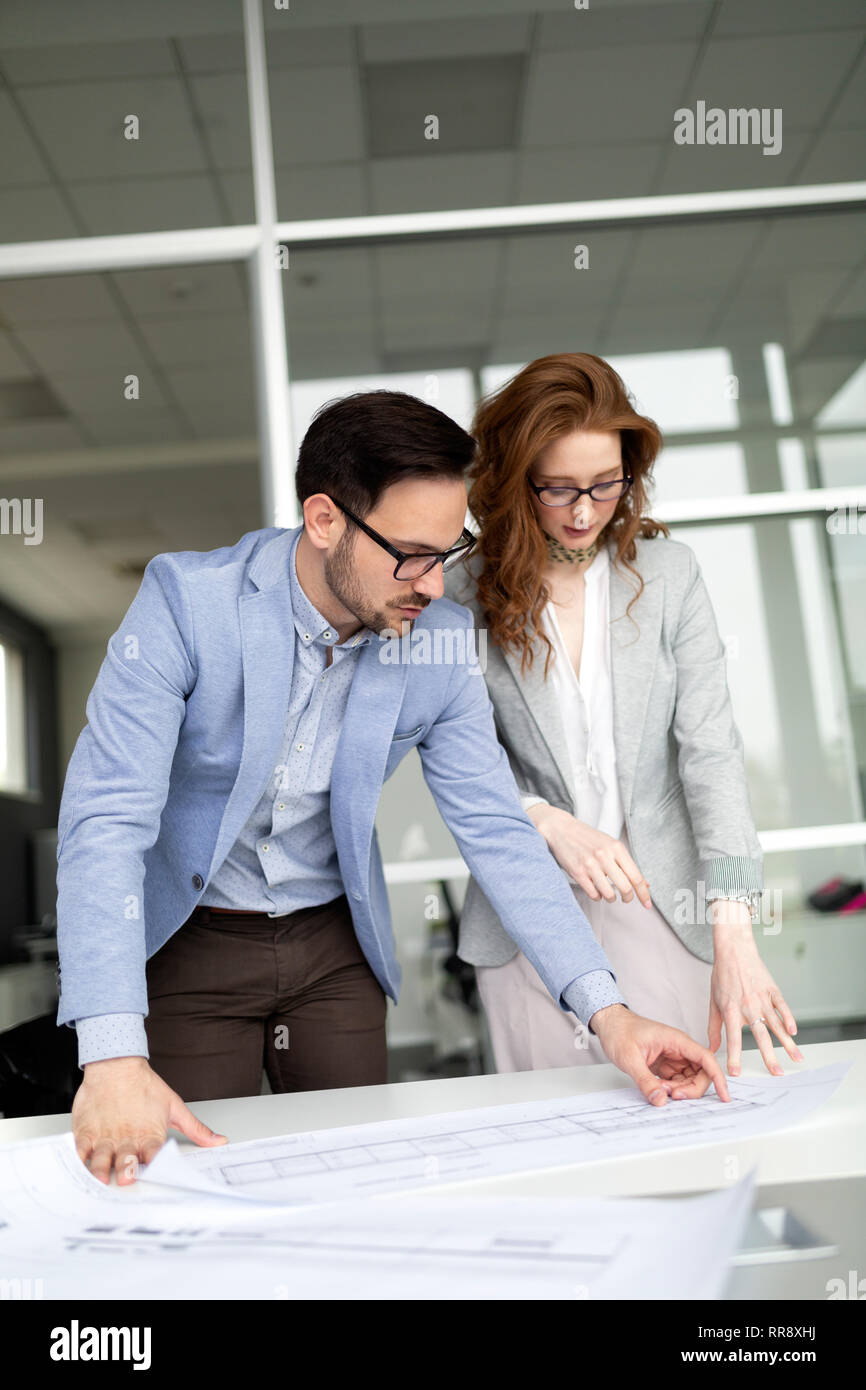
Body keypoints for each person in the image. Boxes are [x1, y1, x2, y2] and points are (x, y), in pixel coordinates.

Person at [57, 389, 731, 1188]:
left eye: (447, 554)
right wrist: (109, 1052)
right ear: (324, 520)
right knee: (195, 1195)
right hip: (191, 939)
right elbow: (107, 821)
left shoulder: (438, 643)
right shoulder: (187, 605)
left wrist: (609, 1017)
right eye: (411, 554)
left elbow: (496, 832)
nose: (434, 587)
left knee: (356, 1187)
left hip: (331, 948)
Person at [445, 354, 802, 1077]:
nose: (584, 512)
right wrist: (545, 820)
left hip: (665, 901)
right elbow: (458, 759)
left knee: (689, 1113)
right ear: (514, 480)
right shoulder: (460, 592)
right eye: (559, 489)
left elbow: (713, 757)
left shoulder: (669, 577)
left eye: (606, 486)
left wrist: (736, 930)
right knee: (559, 1146)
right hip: (529, 917)